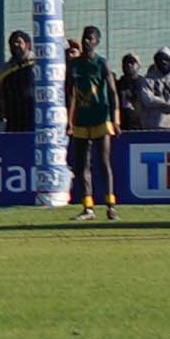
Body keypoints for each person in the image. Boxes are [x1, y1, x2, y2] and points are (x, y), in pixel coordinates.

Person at [66, 29, 118, 219]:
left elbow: (112, 92)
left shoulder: (101, 63)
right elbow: (70, 94)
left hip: (100, 117)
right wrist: (69, 121)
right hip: (81, 119)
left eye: (91, 39)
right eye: (84, 38)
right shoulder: (74, 65)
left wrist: (115, 119)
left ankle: (110, 205)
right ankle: (88, 207)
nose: (87, 41)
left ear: (97, 42)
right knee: (81, 165)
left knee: (103, 162)